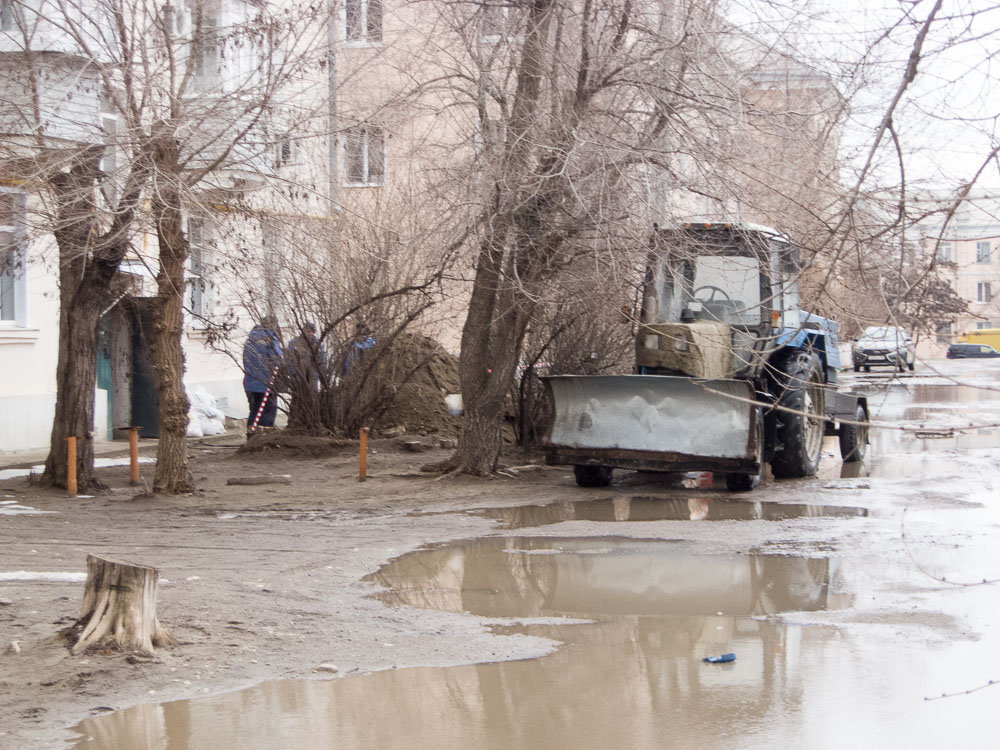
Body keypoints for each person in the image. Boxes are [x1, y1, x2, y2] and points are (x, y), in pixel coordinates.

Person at [243, 317, 283, 439]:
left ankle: (251, 436)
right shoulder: (270, 339)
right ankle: (265, 437)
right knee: (268, 410)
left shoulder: (250, 339)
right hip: (266, 381)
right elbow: (277, 358)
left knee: (254, 410)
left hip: (250, 381)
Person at [285, 322, 327, 430]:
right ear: (303, 331)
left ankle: (312, 424)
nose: (309, 334)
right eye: (307, 331)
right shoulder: (295, 343)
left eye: (311, 332)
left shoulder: (318, 344)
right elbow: (289, 360)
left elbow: (322, 362)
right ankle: (294, 424)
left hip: (313, 378)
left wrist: (322, 379)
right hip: (299, 376)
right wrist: (293, 374)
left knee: (312, 400)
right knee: (297, 400)